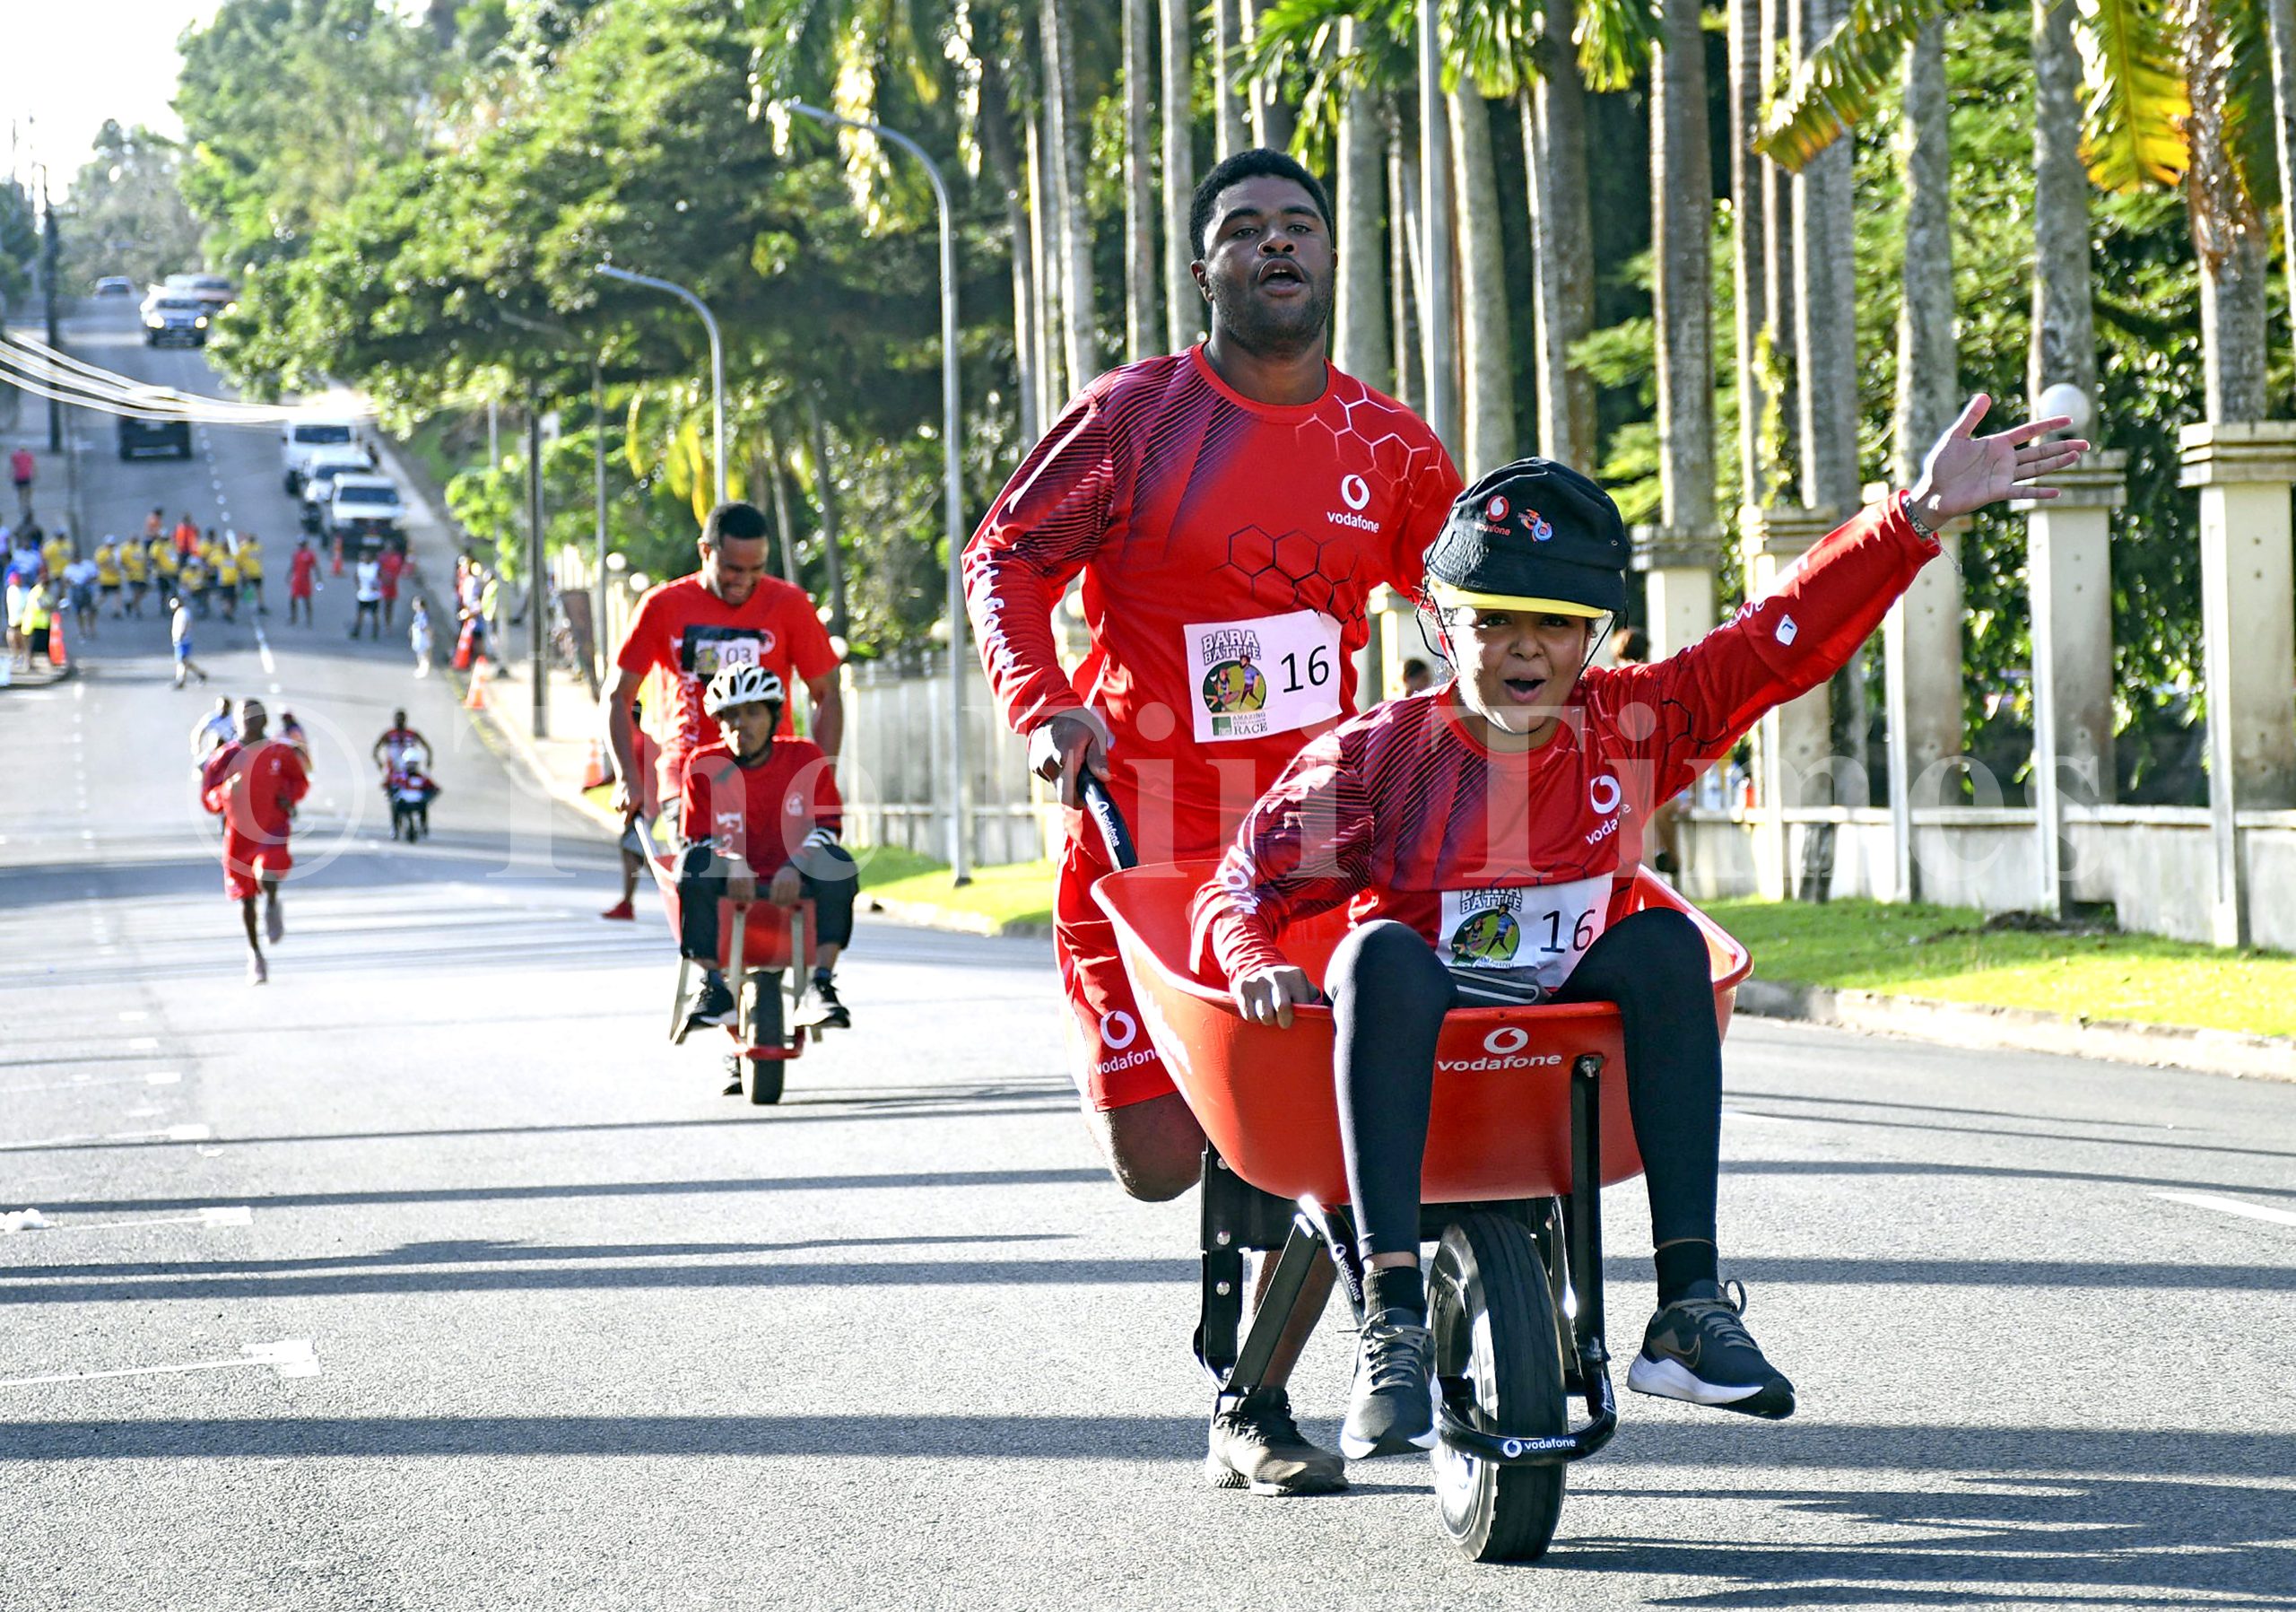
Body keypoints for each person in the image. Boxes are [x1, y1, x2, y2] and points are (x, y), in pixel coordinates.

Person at [1192, 396, 2089, 1458]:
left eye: (1554, 625)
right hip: (1421, 1043)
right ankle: (1388, 1315)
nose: (1525, 650)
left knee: (1669, 942)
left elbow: (1773, 645)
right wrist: (1249, 961)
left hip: (1558, 1051)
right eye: (1494, 620)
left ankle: (1688, 1309)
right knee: (1376, 952)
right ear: (1444, 624)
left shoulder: (1629, 725)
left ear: (1591, 638)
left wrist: (1915, 515)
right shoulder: (1378, 762)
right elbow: (1237, 885)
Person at [965, 147, 1463, 1496]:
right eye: (1245, 231)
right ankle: (1266, 1353)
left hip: (1315, 848)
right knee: (1163, 1164)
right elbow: (1003, 556)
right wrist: (1046, 704)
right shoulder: (1139, 420)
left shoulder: (1391, 448)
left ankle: (1263, 1394)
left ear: (1332, 255)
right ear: (1207, 270)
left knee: (1326, 1117)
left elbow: (1476, 605)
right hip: (1145, 848)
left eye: (1300, 224)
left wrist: (1466, 701)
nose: (1277, 246)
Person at [605, 500, 843, 839]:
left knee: (782, 886)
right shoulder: (661, 606)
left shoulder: (789, 604)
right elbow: (618, 696)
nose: (744, 581)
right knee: (704, 877)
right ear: (705, 551)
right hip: (690, 778)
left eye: (756, 569)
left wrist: (820, 780)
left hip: (773, 781)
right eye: (733, 569)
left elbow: (828, 695)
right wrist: (628, 777)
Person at [674, 665, 855, 1042]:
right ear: (719, 724)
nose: (742, 725)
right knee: (693, 866)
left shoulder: (804, 757)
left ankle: (820, 986)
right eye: (731, 717)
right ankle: (713, 987)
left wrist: (796, 865)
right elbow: (697, 838)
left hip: (793, 876)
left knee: (838, 864)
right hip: (731, 881)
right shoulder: (703, 766)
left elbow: (827, 830)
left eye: (753, 712)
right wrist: (732, 860)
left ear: (774, 716)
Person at [199, 697, 309, 985]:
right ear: (235, 721)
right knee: (245, 899)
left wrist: (290, 795)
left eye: (254, 713)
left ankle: (272, 902)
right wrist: (225, 791)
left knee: (267, 872)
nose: (248, 718)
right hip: (238, 835)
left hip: (272, 828)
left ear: (264, 720)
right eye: (243, 714)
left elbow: (299, 781)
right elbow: (208, 798)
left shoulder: (278, 752)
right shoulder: (224, 757)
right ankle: (255, 956)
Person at [603, 696, 659, 922]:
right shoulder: (645, 740)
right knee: (638, 852)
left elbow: (625, 775)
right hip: (648, 803)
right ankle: (629, 901)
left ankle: (676, 890)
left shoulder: (634, 741)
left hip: (642, 805)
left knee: (635, 850)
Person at [372, 710, 431, 777]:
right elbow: (376, 749)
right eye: (398, 720)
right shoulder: (389, 734)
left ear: (405, 720)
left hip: (409, 763)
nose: (400, 722)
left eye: (401, 719)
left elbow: (427, 747)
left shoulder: (412, 733)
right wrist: (378, 762)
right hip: (393, 764)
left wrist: (429, 760)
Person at [170, 596, 210, 688]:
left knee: (182, 660)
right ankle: (200, 674)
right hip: (179, 640)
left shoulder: (183, 612)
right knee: (184, 661)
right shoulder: (180, 612)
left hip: (183, 640)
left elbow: (185, 624)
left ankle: (181, 680)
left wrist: (181, 635)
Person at [190, 696, 237, 770]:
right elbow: (199, 731)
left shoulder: (235, 719)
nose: (223, 710)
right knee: (200, 763)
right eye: (221, 707)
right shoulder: (211, 718)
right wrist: (196, 746)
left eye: (225, 707)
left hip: (229, 747)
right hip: (214, 747)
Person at [63, 552, 99, 641]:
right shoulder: (69, 568)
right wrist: (71, 583)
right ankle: (81, 630)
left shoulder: (87, 565)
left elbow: (95, 576)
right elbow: (66, 581)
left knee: (90, 610)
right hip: (75, 590)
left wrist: (88, 580)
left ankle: (91, 629)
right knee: (78, 612)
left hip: (86, 589)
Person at [287, 537, 317, 626]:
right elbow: (293, 566)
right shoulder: (296, 554)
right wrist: (288, 575)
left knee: (307, 600)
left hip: (305, 580)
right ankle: (293, 618)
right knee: (293, 599)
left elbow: (315, 567)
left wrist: (319, 578)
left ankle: (309, 619)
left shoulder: (310, 554)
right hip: (297, 580)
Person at [351, 554, 382, 639]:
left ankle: (375, 633)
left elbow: (381, 577)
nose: (364, 559)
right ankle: (356, 631)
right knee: (359, 615)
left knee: (375, 615)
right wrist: (358, 586)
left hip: (373, 596)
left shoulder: (375, 567)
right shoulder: (360, 567)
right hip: (362, 595)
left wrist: (377, 586)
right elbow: (355, 577)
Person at [120, 530, 149, 618]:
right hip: (131, 575)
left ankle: (130, 604)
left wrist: (147, 569)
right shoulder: (125, 548)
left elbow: (144, 559)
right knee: (136, 592)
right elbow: (121, 561)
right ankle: (138, 611)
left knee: (143, 592)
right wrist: (126, 568)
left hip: (141, 575)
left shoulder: (140, 547)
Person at [237, 531, 265, 614]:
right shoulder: (244, 548)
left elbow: (259, 558)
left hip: (257, 572)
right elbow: (239, 560)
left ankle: (261, 605)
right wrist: (242, 570)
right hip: (248, 572)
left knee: (259, 589)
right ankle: (249, 603)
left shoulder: (258, 547)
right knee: (248, 588)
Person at [179, 545, 210, 619]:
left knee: (204, 594)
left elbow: (203, 580)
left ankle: (203, 609)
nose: (194, 569)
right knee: (181, 593)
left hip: (199, 589)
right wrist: (188, 588)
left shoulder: (200, 571)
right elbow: (183, 583)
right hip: (189, 589)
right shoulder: (185, 572)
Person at [378, 545, 404, 630]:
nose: (389, 550)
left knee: (390, 604)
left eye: (391, 549)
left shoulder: (396, 558)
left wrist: (392, 577)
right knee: (385, 603)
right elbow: (379, 569)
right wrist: (382, 578)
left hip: (392, 585)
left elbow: (398, 569)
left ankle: (389, 622)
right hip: (384, 584)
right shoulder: (382, 557)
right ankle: (385, 621)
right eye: (387, 549)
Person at [94, 539, 122, 618]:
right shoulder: (102, 552)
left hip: (115, 578)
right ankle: (94, 607)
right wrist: (111, 568)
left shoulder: (115, 552)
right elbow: (100, 564)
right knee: (104, 596)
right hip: (106, 578)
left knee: (117, 594)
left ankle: (117, 610)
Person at [214, 543, 240, 624]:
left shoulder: (233, 557)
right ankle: (228, 613)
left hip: (231, 581)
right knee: (227, 599)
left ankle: (227, 611)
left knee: (232, 599)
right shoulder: (220, 557)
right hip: (225, 581)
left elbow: (238, 567)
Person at [409, 597, 434, 676]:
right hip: (418, 637)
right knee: (420, 654)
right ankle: (421, 668)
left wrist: (429, 636)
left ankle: (425, 670)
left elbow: (426, 627)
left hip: (423, 638)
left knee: (424, 655)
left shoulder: (423, 615)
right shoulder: (418, 615)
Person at [8, 446, 32, 518]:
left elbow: (12, 466)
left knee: (20, 492)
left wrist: (10, 474)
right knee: (27, 492)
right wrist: (34, 474)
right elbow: (33, 465)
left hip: (18, 476)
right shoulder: (29, 455)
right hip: (27, 475)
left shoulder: (14, 456)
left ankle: (21, 505)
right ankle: (27, 504)